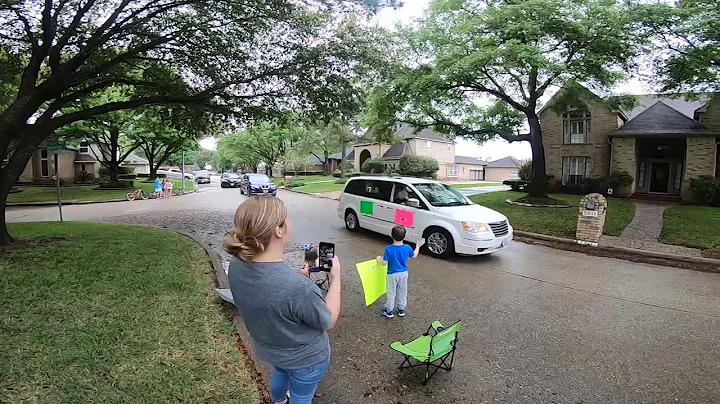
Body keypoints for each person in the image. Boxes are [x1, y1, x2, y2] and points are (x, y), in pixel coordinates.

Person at [225, 197, 342, 404]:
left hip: (269, 349)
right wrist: (336, 280)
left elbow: (271, 289)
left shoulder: (236, 265)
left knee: (281, 373)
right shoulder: (298, 287)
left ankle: (278, 401)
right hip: (306, 359)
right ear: (279, 230)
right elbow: (328, 320)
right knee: (302, 394)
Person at [376, 225, 424, 318]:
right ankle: (401, 309)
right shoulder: (407, 247)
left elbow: (384, 263)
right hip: (403, 274)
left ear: (392, 236)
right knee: (402, 291)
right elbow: (414, 255)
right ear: (404, 236)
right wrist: (418, 246)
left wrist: (378, 259)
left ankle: (389, 311)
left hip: (392, 275)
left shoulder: (389, 249)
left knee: (391, 292)